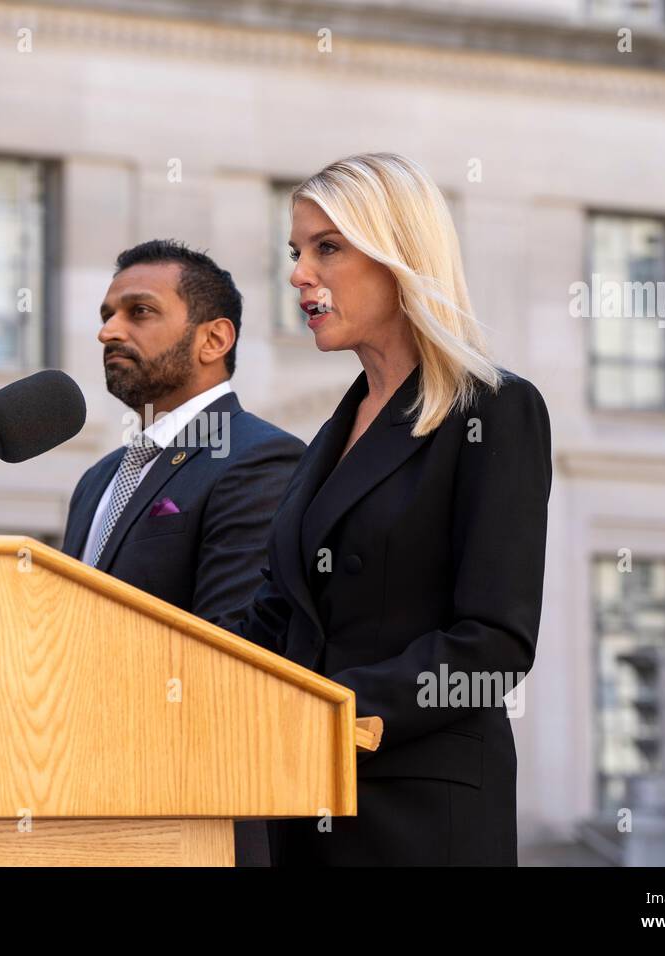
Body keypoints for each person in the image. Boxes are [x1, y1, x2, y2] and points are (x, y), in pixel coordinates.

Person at [233, 153, 553, 865]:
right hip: (307, 809)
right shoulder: (328, 439)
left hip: (420, 820)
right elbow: (276, 619)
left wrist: (332, 710)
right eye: (295, 252)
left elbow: (495, 643)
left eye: (327, 248)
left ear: (398, 255)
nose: (298, 275)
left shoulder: (495, 410)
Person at [62, 239, 305, 866]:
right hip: (79, 805)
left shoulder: (258, 457)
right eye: (105, 315)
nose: (108, 331)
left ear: (213, 339)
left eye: (138, 312)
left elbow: (226, 653)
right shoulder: (99, 480)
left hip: (191, 817)